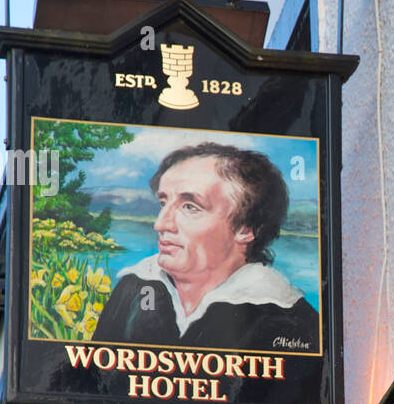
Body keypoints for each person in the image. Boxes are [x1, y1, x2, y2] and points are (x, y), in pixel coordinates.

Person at [92, 142, 320, 353]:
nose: (160, 223)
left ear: (246, 228)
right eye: (163, 203)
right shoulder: (134, 286)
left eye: (190, 207)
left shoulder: (290, 320)